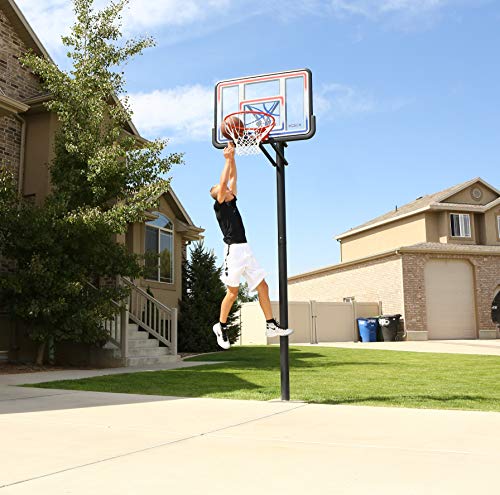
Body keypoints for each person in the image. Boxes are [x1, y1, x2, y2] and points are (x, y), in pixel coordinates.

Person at [210, 143, 293, 349]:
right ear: (219, 194)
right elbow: (223, 182)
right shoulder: (219, 205)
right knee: (233, 293)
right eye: (223, 189)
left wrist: (233, 156)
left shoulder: (232, 201)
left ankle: (270, 325)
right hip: (233, 252)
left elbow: (233, 178)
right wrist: (227, 159)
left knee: (263, 286)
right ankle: (220, 326)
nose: (227, 188)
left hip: (246, 249)